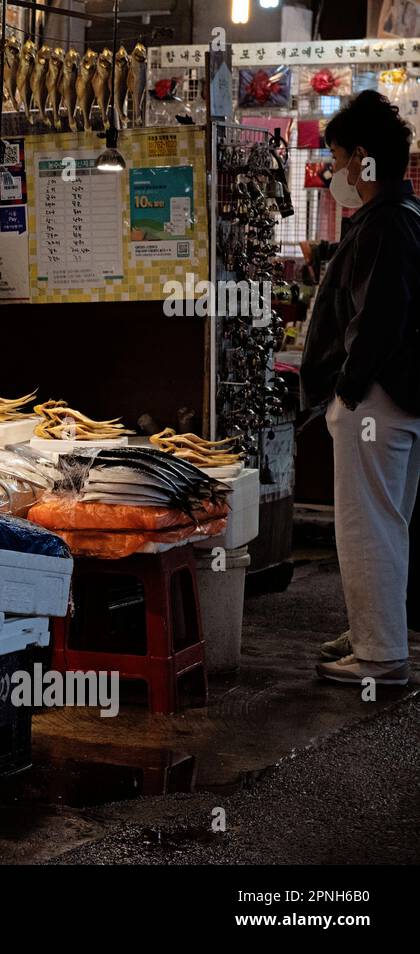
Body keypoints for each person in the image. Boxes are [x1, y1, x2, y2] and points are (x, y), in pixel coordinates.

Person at [301, 90, 419, 686]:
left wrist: (346, 391)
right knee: (386, 522)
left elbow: (377, 320)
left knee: (366, 524)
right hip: (394, 398)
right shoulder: (398, 216)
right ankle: (377, 630)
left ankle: (378, 657)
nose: (337, 171)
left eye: (341, 157)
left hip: (375, 400)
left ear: (364, 158)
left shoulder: (387, 225)